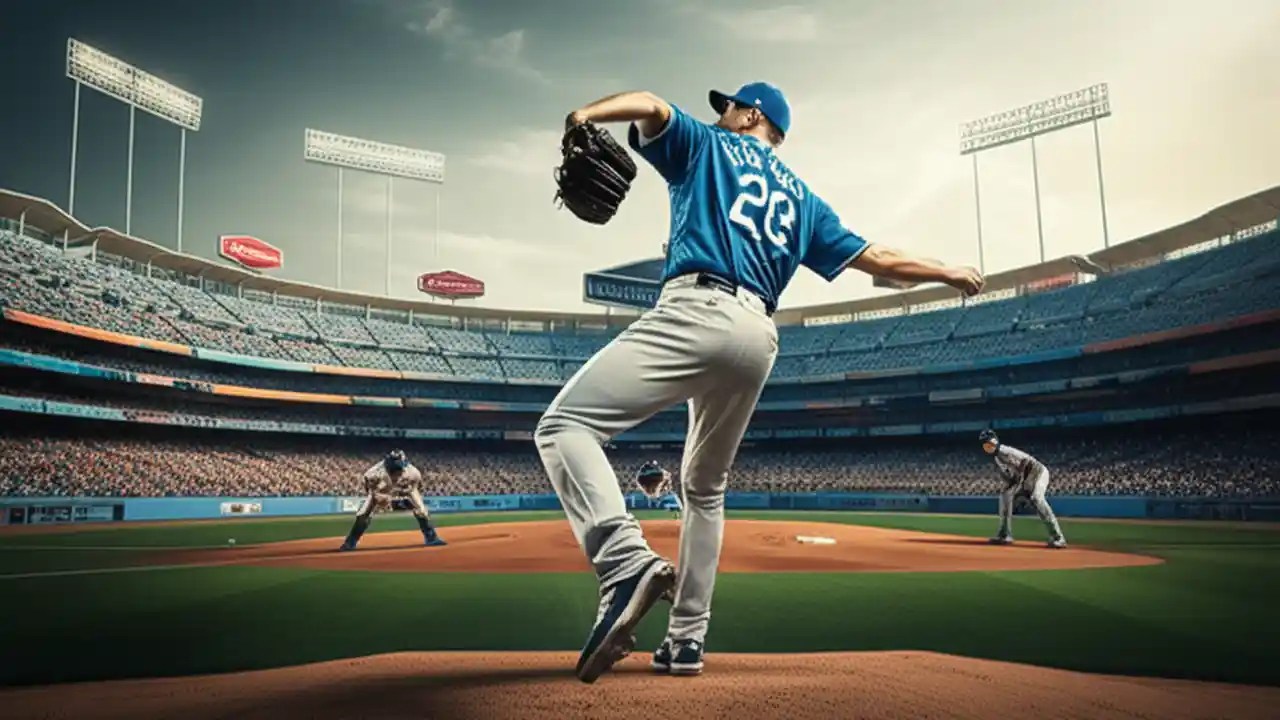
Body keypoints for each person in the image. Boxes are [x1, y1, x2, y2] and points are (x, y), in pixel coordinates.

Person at [535, 81, 985, 683]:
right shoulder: (804, 200)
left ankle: (623, 562)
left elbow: (648, 103)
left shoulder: (706, 144)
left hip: (698, 307)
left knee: (565, 425)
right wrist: (949, 271)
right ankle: (687, 639)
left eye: (728, 105)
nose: (720, 112)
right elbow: (880, 259)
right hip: (757, 338)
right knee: (705, 487)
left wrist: (582, 114)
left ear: (751, 115)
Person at [339, 450, 447, 551]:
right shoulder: (372, 474)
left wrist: (404, 497)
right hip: (381, 489)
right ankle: (350, 542)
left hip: (405, 488)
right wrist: (383, 499)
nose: (396, 472)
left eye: (398, 469)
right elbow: (371, 491)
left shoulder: (414, 473)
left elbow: (416, 489)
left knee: (422, 510)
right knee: (363, 514)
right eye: (393, 469)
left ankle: (431, 537)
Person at [980, 429, 1066, 548]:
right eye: (985, 445)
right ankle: (1005, 534)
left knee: (1036, 498)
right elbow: (1010, 478)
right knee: (1005, 497)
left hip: (1038, 472)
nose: (987, 447)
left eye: (989, 444)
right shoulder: (997, 459)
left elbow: (1028, 463)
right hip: (1024, 478)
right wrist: (1011, 490)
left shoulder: (1005, 451)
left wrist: (1023, 485)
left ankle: (1058, 537)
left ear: (995, 442)